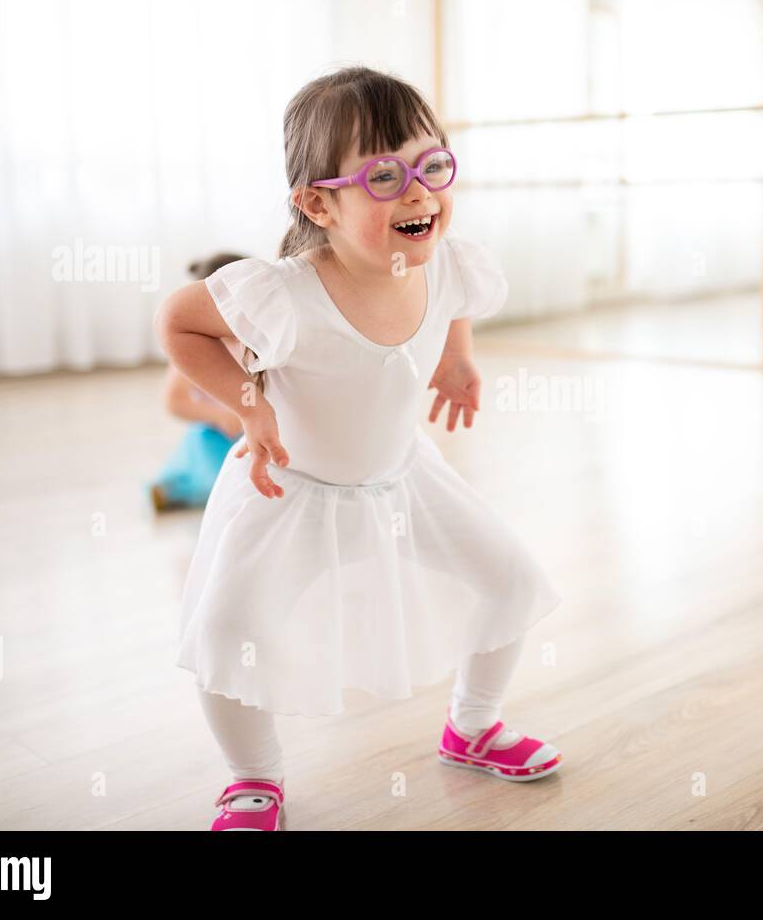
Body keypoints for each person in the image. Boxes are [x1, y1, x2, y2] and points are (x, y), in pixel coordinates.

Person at [155, 68, 565, 831]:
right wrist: (249, 409)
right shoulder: (285, 291)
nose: (417, 194)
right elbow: (178, 323)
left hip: (402, 479)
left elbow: (456, 303)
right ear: (318, 203)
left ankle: (470, 729)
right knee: (227, 636)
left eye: (431, 166)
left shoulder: (443, 258)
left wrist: (456, 357)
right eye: (383, 176)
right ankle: (253, 778)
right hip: (291, 492)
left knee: (510, 582)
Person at [148, 253, 249, 512]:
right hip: (216, 434)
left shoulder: (253, 341)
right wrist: (219, 415)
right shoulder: (194, 348)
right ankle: (172, 489)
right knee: (213, 473)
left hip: (254, 432)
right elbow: (174, 401)